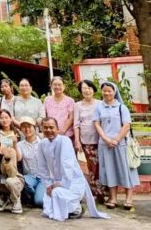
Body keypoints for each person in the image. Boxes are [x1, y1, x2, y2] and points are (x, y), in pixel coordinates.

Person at [37, 117, 107, 221]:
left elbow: (67, 165)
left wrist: (62, 184)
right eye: (45, 128)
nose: (48, 130)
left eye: (51, 127)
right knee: (48, 208)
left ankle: (76, 208)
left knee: (58, 194)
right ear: (42, 129)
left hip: (73, 181)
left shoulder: (65, 140)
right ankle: (68, 207)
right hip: (56, 181)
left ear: (57, 128)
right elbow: (42, 167)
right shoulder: (42, 144)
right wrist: (48, 185)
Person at [93, 81, 139, 210]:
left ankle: (129, 198)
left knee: (125, 170)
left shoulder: (121, 107)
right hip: (105, 144)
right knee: (110, 170)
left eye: (109, 90)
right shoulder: (99, 107)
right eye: (104, 90)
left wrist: (116, 139)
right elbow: (97, 124)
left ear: (114, 92)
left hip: (121, 144)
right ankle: (113, 198)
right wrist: (106, 139)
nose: (106, 93)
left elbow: (126, 125)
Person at [74, 79, 103, 202]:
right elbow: (76, 124)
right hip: (86, 141)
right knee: (91, 167)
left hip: (101, 140)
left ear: (93, 90)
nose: (87, 90)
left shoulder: (100, 103)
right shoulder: (78, 105)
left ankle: (102, 192)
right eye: (84, 88)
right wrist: (77, 141)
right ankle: (95, 192)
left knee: (101, 167)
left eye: (89, 88)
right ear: (81, 91)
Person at [18, 116, 44, 207]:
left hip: (43, 178)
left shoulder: (43, 142)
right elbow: (19, 158)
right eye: (24, 127)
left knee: (40, 202)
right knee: (19, 180)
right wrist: (14, 144)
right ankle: (33, 192)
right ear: (21, 129)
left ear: (34, 127)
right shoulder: (20, 144)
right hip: (29, 176)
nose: (27, 129)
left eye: (29, 126)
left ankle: (37, 194)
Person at [44, 76, 75, 141]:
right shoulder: (47, 100)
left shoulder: (70, 101)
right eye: (55, 84)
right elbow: (45, 116)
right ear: (51, 86)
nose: (57, 87)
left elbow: (71, 117)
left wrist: (62, 131)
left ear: (64, 86)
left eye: (59, 84)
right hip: (50, 134)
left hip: (66, 135)